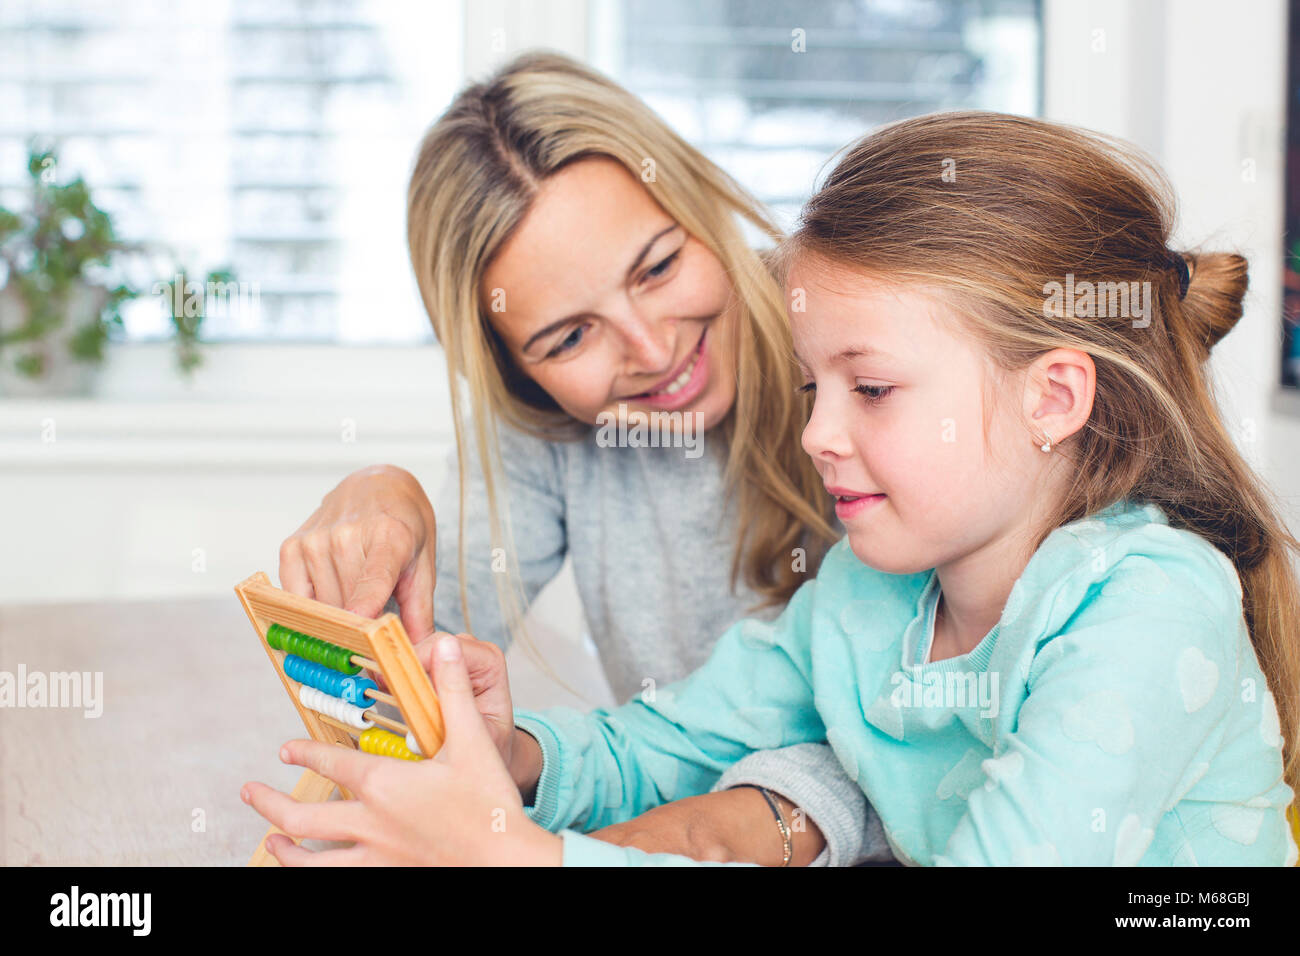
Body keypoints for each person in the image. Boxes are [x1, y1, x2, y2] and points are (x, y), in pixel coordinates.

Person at [246, 110, 1300, 866]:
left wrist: (519, 857)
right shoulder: (863, 597)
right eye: (810, 387)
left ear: (1053, 397)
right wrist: (513, 750)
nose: (815, 433)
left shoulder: (1149, 605)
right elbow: (664, 738)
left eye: (871, 388)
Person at [269, 50, 885, 866]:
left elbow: (933, 740)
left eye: (659, 266)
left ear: (699, 201)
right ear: (516, 370)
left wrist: (714, 826)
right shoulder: (549, 427)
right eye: (568, 336)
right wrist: (388, 497)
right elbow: (412, 691)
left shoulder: (858, 349)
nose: (652, 348)